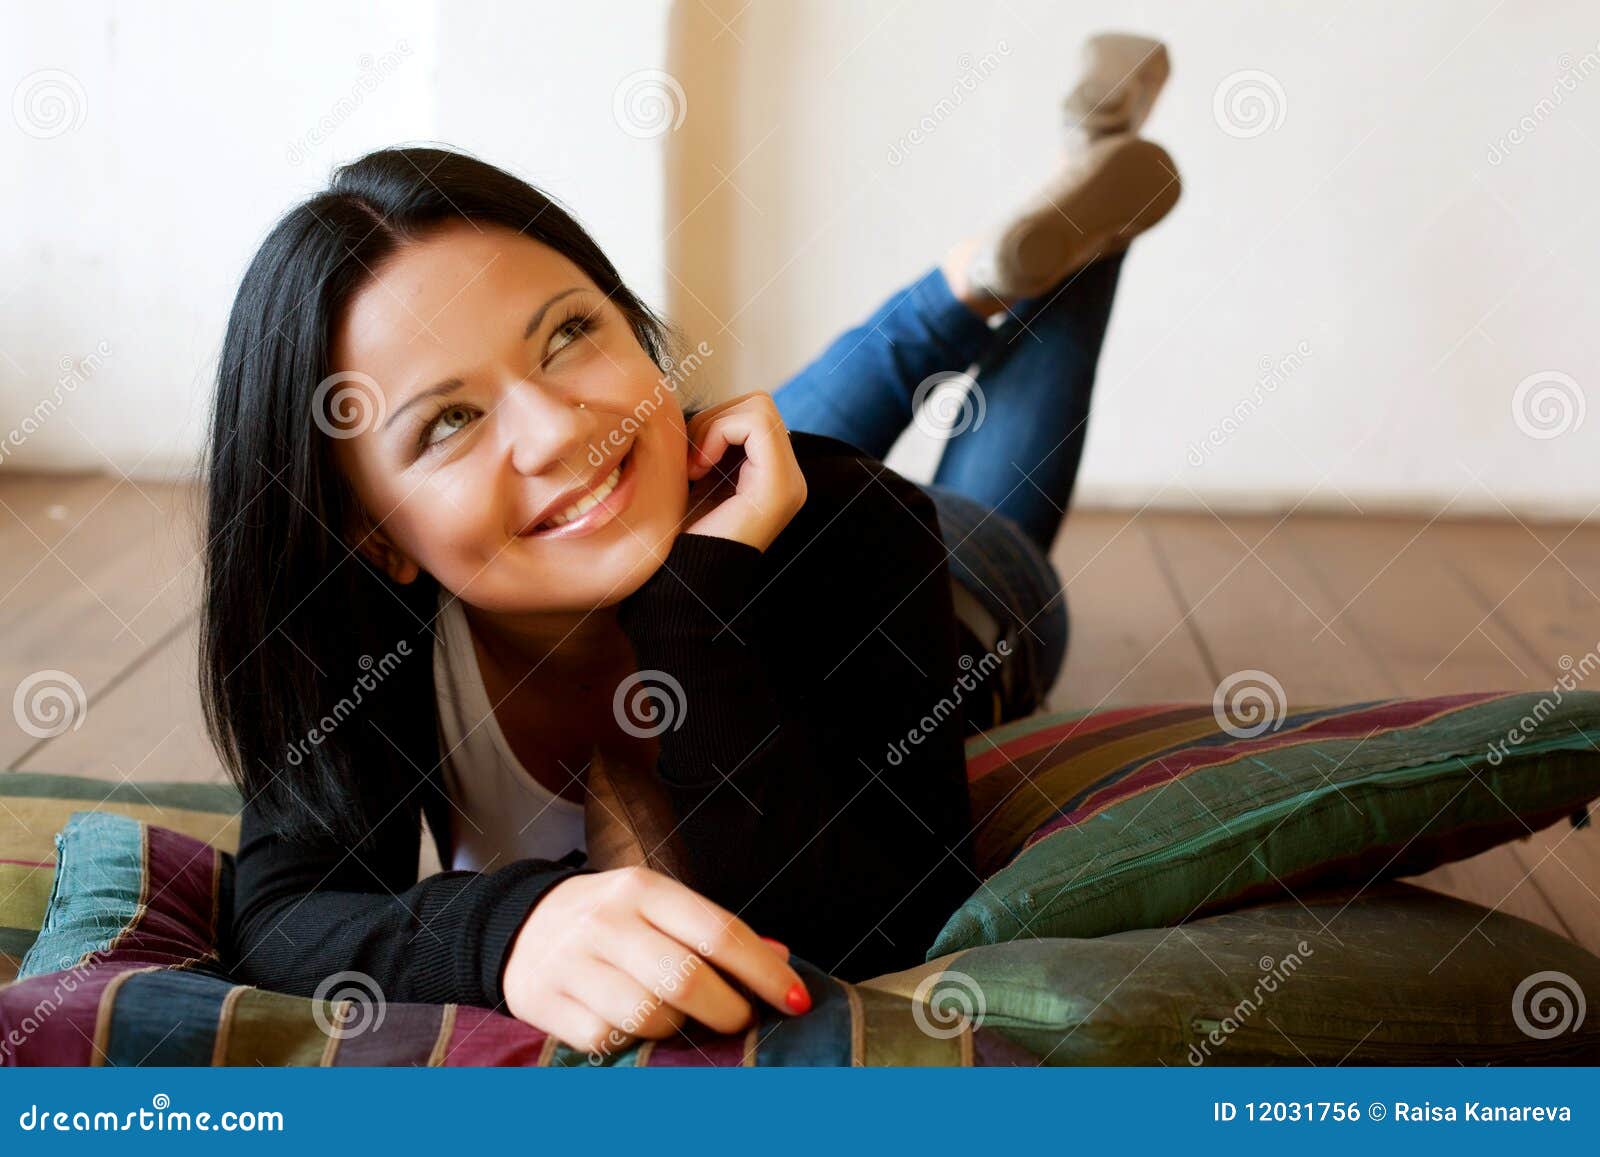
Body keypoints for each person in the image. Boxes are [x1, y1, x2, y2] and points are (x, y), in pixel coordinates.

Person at [202, 34, 1177, 1055]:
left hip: (975, 587)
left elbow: (881, 927)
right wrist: (506, 930)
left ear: (633, 325)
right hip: (694, 492)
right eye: (447, 421)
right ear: (370, 533)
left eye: (571, 332)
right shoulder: (360, 637)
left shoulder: (860, 527)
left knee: (947, 479)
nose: (553, 425)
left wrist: (694, 605)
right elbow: (281, 914)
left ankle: (1080, 240)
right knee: (711, 444)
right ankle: (1009, 245)